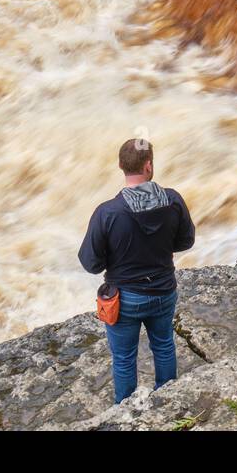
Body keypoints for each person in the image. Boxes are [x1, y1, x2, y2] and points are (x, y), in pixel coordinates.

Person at [79, 138, 196, 403]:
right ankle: (167, 400)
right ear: (149, 166)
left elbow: (91, 263)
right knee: (164, 346)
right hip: (164, 290)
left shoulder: (107, 213)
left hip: (125, 300)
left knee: (123, 359)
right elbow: (186, 241)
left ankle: (126, 411)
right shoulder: (173, 200)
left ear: (120, 166)